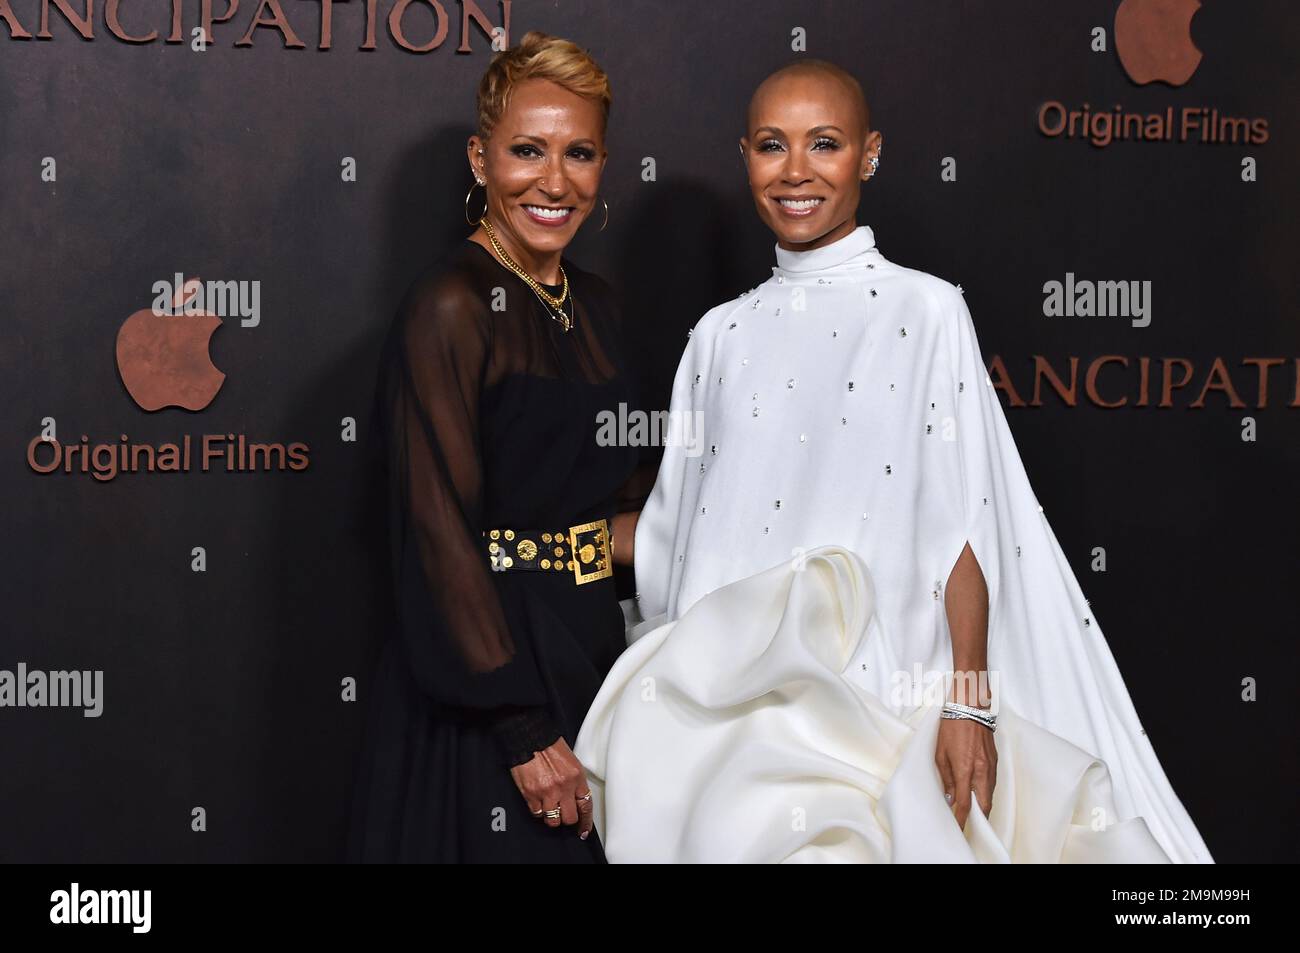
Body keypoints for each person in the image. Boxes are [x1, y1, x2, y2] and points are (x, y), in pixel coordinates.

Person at [575, 59, 1214, 863]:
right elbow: (677, 531)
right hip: (732, 721)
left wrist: (970, 705)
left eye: (826, 144)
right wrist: (518, 546)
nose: (796, 171)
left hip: (883, 707)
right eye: (773, 145)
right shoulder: (717, 337)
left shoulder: (928, 309)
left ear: (869, 155)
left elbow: (966, 527)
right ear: (745, 156)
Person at [348, 31, 638, 862]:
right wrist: (520, 727)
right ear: (481, 159)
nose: (554, 181)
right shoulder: (450, 304)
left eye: (578, 153)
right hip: (487, 680)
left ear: (604, 164)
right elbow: (435, 525)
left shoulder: (603, 307)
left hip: (593, 650)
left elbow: (623, 492)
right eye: (527, 151)